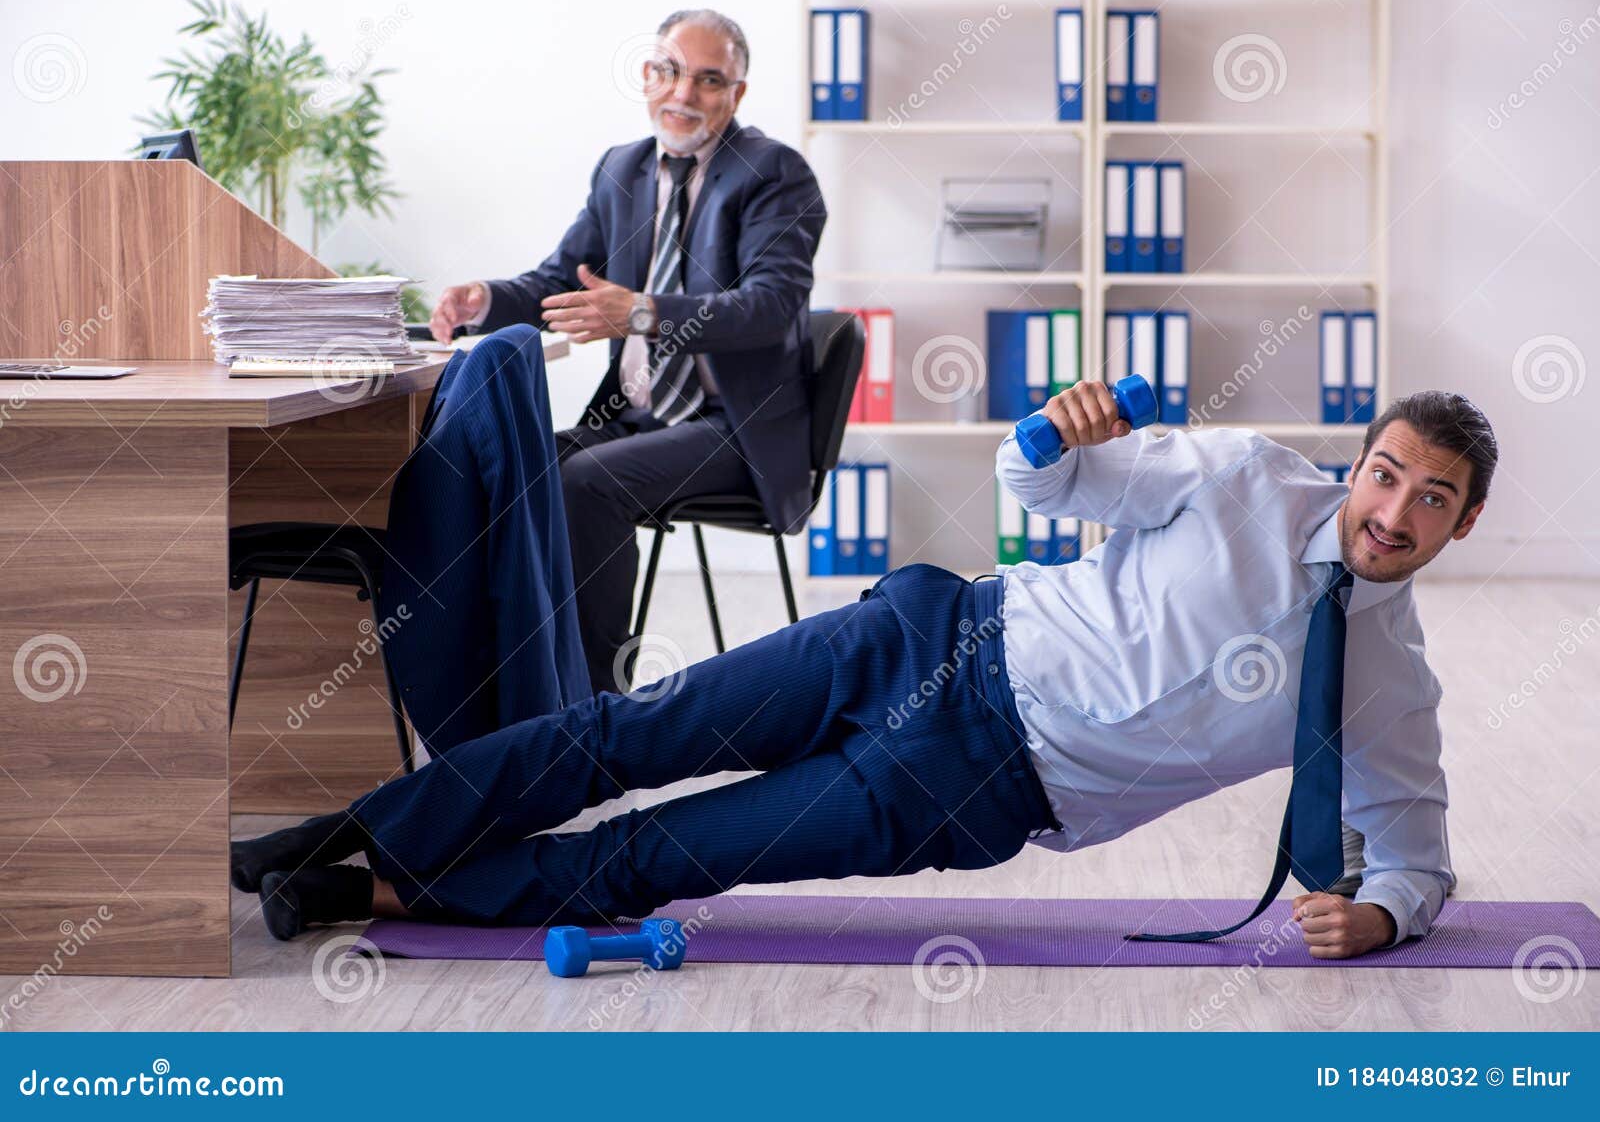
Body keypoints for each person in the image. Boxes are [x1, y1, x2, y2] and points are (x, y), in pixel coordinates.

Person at [232, 383, 1495, 960]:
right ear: (1359, 460)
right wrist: (1049, 431)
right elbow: (1040, 484)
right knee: (620, 735)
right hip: (933, 636)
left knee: (665, 859)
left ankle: (363, 895)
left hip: (973, 787)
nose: (1391, 512)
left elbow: (1414, 857)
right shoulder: (1241, 473)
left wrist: (1378, 916)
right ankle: (335, 833)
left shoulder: (1392, 688)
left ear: (1459, 526)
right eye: (1386, 474)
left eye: (1430, 500)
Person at [429, 9, 826, 695]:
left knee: (590, 485)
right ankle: (513, 686)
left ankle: (595, 716)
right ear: (647, 75)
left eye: (708, 80)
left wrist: (642, 312)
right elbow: (561, 281)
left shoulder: (773, 174)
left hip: (733, 428)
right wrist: (483, 301)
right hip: (635, 420)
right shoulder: (624, 169)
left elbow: (770, 307)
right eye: (669, 72)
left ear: (737, 94)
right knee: (506, 462)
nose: (683, 94)